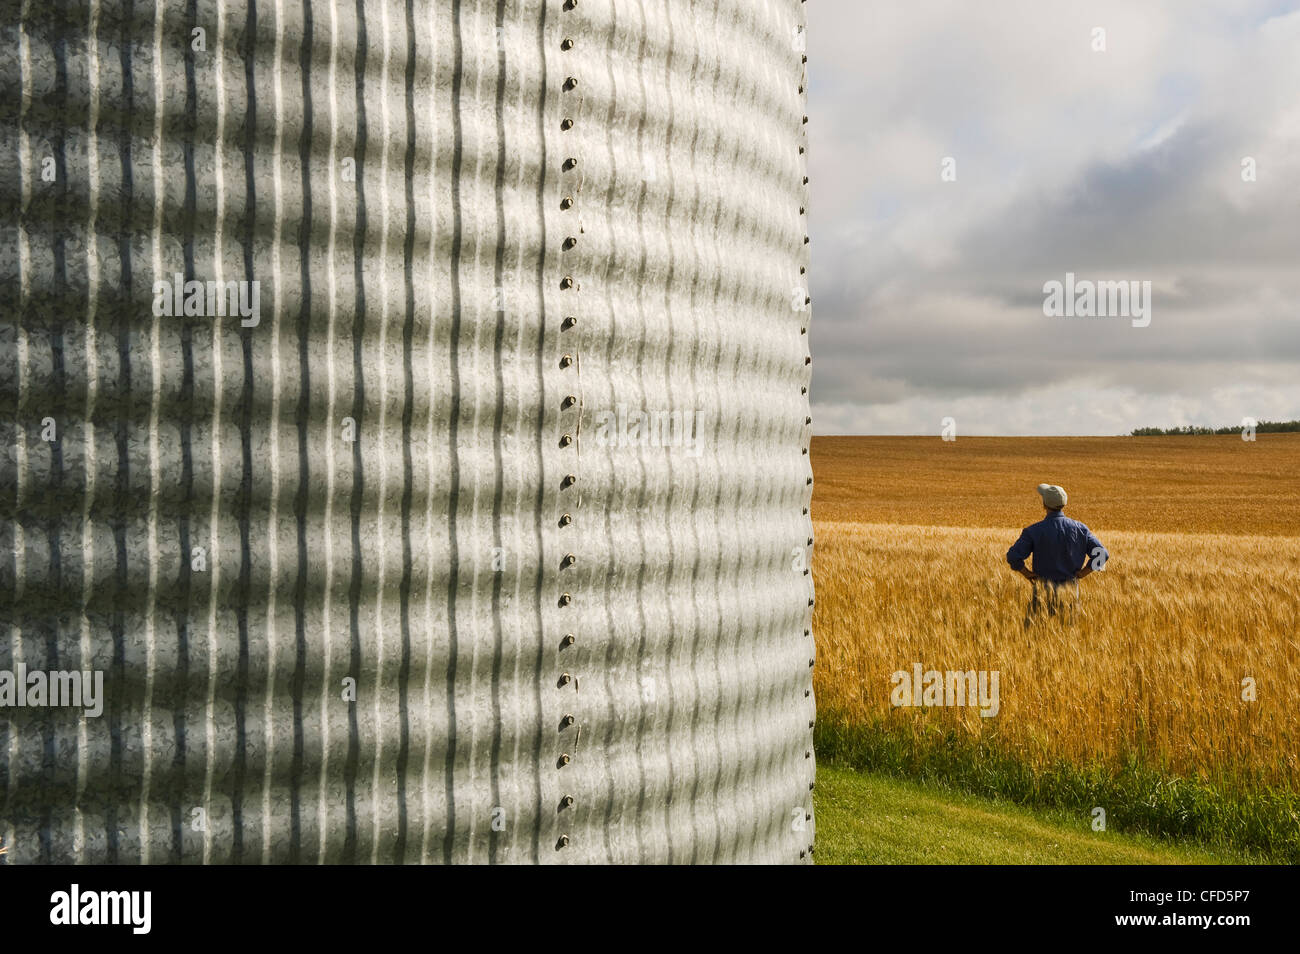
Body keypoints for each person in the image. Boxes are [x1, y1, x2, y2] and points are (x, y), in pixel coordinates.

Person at [1006, 484, 1108, 625]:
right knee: (1068, 634)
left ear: (1044, 505)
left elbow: (1013, 556)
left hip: (1043, 588)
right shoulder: (1080, 529)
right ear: (1064, 504)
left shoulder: (1034, 531)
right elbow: (1102, 554)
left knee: (1036, 635)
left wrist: (1027, 573)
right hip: (1070, 590)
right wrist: (1084, 572)